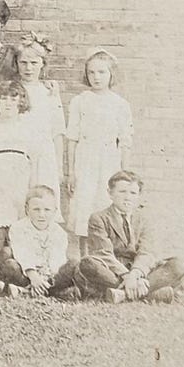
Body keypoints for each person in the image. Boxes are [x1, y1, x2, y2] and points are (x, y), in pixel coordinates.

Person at [74, 171, 184, 303]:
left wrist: (135, 274)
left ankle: (121, 294)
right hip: (113, 270)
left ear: (139, 196)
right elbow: (103, 253)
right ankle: (151, 293)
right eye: (122, 192)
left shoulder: (144, 219)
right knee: (87, 264)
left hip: (138, 271)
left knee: (179, 265)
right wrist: (127, 276)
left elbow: (147, 252)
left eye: (133, 193)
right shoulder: (98, 218)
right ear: (110, 193)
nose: (127, 198)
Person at [65, 49, 133, 259]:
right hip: (85, 160)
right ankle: (86, 260)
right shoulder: (80, 101)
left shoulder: (120, 104)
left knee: (106, 206)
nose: (96, 77)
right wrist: (71, 172)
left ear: (111, 74)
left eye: (101, 72)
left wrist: (124, 176)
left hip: (109, 161)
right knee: (85, 207)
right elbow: (72, 138)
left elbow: (125, 142)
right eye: (92, 72)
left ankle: (105, 259)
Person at [15, 32, 65, 218]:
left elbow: (58, 132)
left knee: (43, 203)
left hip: (44, 156)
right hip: (18, 154)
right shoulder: (11, 90)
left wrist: (59, 166)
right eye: (23, 63)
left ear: (43, 64)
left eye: (34, 63)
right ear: (17, 64)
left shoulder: (49, 92)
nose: (28, 68)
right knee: (19, 203)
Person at [0, 81, 40, 231]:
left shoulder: (27, 127)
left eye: (13, 99)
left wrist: (33, 187)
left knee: (18, 215)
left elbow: (34, 160)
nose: (8, 103)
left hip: (19, 175)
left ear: (21, 102)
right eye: (4, 98)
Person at [8, 186, 77, 298]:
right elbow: (22, 255)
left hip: (50, 276)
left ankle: (29, 292)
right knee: (10, 266)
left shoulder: (59, 232)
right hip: (28, 274)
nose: (41, 214)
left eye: (47, 210)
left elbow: (57, 260)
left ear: (55, 210)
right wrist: (34, 277)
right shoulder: (18, 228)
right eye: (36, 209)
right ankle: (51, 292)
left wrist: (44, 280)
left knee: (73, 264)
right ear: (27, 209)